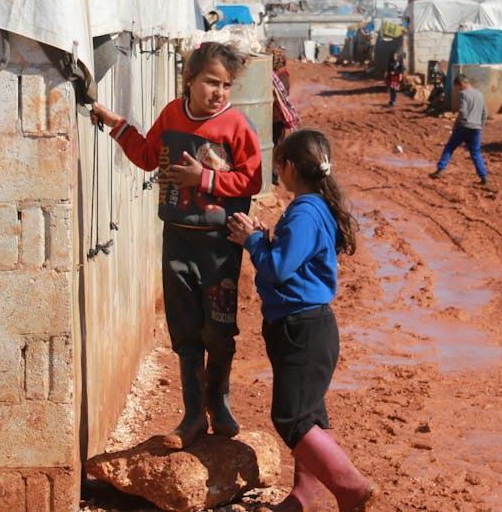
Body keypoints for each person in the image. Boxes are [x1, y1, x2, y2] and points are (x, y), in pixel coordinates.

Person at [90, 42, 263, 449]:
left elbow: (252, 180)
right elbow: (150, 156)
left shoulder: (237, 125)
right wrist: (118, 127)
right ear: (190, 80)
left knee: (219, 330)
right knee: (185, 330)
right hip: (178, 239)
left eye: (226, 85)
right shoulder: (172, 115)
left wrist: (205, 180)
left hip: (219, 245)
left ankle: (218, 404)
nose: (219, 92)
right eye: (210, 82)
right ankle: (191, 416)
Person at [227, 129, 377, 511]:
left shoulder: (305, 211)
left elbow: (278, 269)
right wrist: (268, 239)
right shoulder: (314, 208)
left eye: (279, 168)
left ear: (289, 167)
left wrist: (253, 241)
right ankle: (305, 497)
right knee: (309, 412)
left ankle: (351, 487)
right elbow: (295, 259)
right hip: (308, 327)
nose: (278, 175)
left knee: (292, 418)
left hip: (301, 328)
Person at [429, 74, 491, 186]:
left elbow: (462, 112)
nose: (458, 90)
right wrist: (480, 125)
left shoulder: (464, 94)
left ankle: (440, 169)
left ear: (462, 84)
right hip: (476, 129)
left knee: (449, 147)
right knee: (476, 153)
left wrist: (456, 123)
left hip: (464, 127)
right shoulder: (480, 94)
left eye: (458, 87)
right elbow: (485, 113)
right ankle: (484, 177)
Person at [270, 47, 301, 185]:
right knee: (277, 144)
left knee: (273, 145)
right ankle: (274, 174)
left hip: (273, 117)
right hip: (279, 118)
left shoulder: (274, 78)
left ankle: (272, 175)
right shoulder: (284, 76)